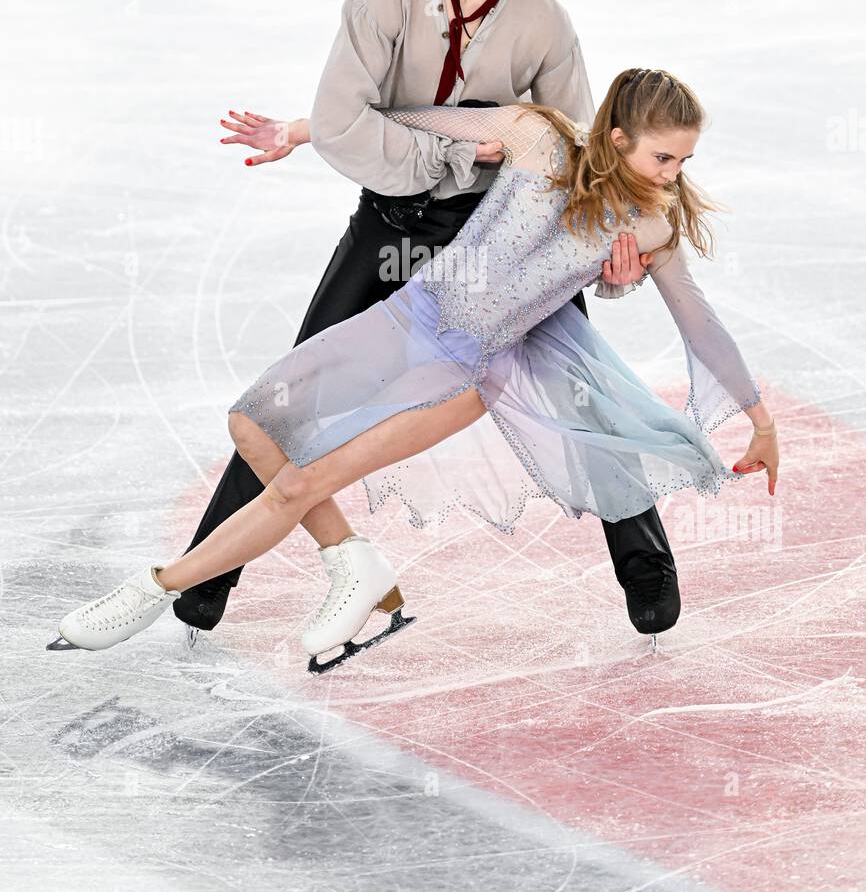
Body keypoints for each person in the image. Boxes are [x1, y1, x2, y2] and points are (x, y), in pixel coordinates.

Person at [48, 69, 779, 669]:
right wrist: (301, 132)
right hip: (408, 315)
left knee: (303, 480)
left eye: (684, 161)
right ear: (617, 137)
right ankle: (354, 564)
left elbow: (701, 324)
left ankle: (148, 591)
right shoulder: (536, 136)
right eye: (663, 158)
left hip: (467, 368)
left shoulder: (648, 224)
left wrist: (759, 421)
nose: (674, 176)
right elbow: (408, 124)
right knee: (252, 423)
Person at [169, 0, 683, 646]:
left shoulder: (544, 20)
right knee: (293, 396)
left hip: (505, 242)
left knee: (584, 392)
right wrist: (439, 159)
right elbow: (346, 125)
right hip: (396, 227)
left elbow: (584, 160)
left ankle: (644, 563)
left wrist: (616, 258)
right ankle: (209, 572)